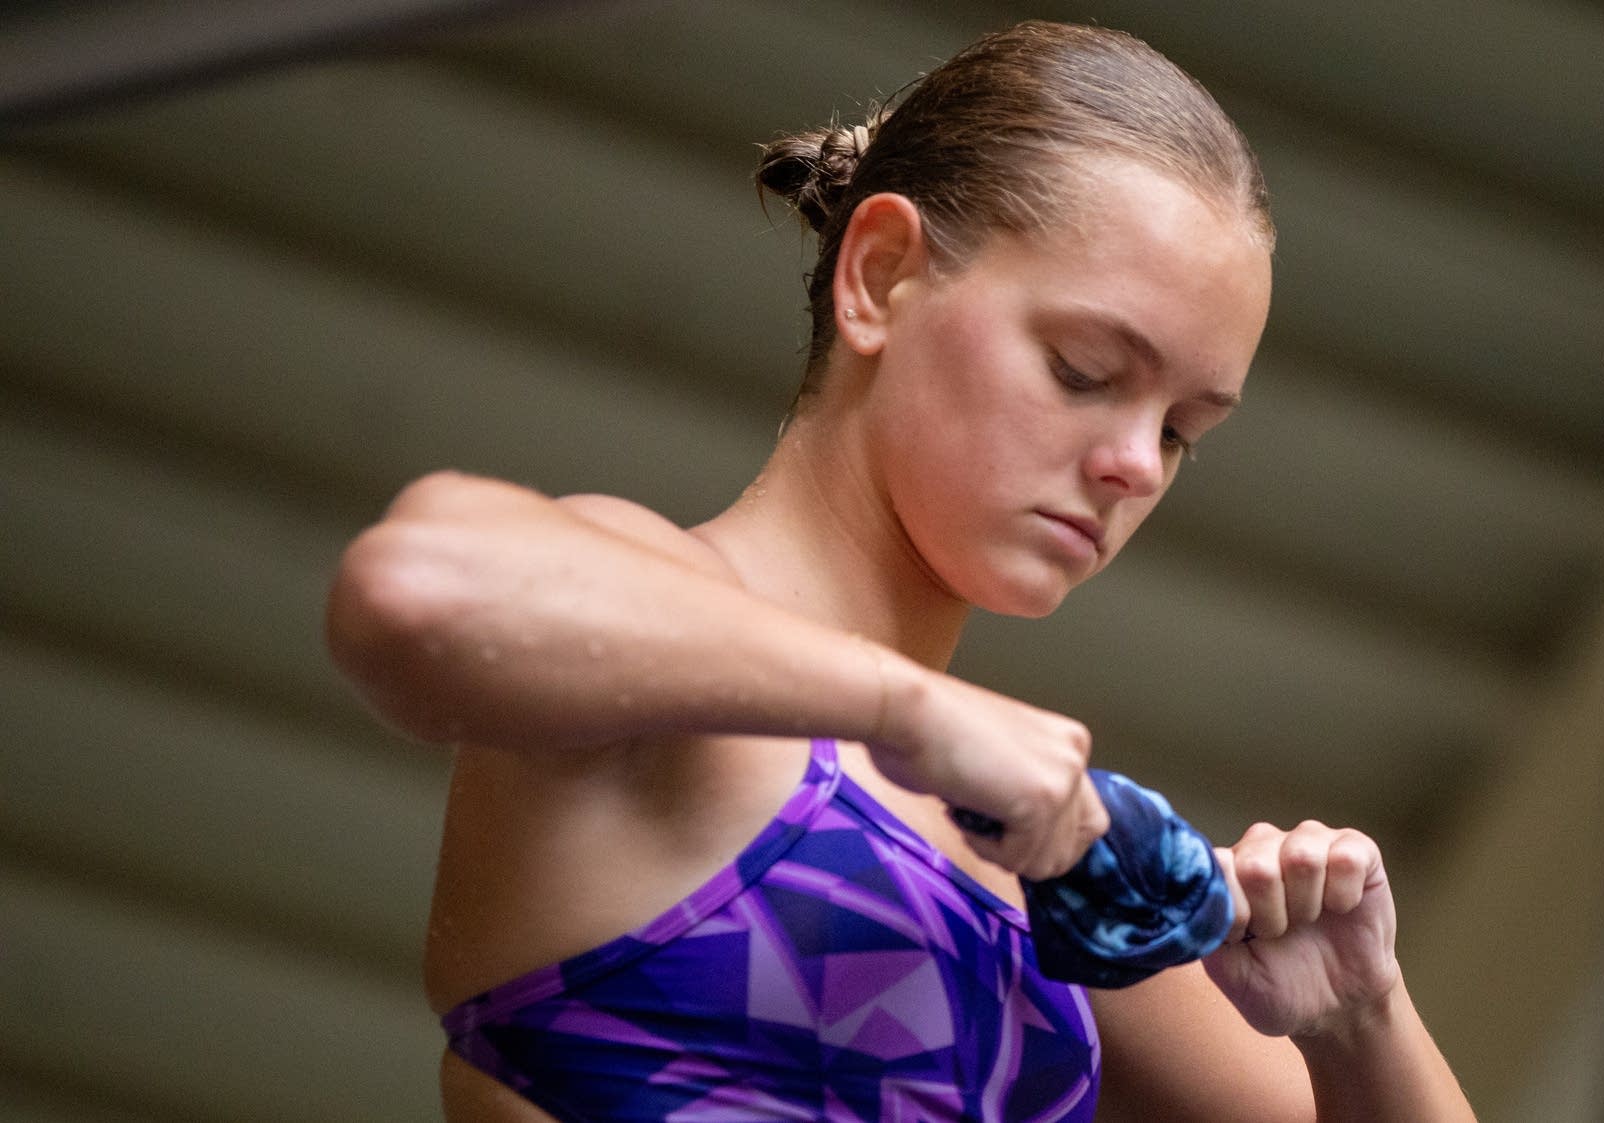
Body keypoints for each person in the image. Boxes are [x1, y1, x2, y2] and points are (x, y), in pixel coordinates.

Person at [326, 19, 1474, 1123]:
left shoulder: (1044, 859)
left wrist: (1359, 1017)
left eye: (1180, 430)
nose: (1132, 464)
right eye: (1083, 371)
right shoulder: (659, 609)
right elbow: (411, 590)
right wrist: (910, 710)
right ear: (877, 276)